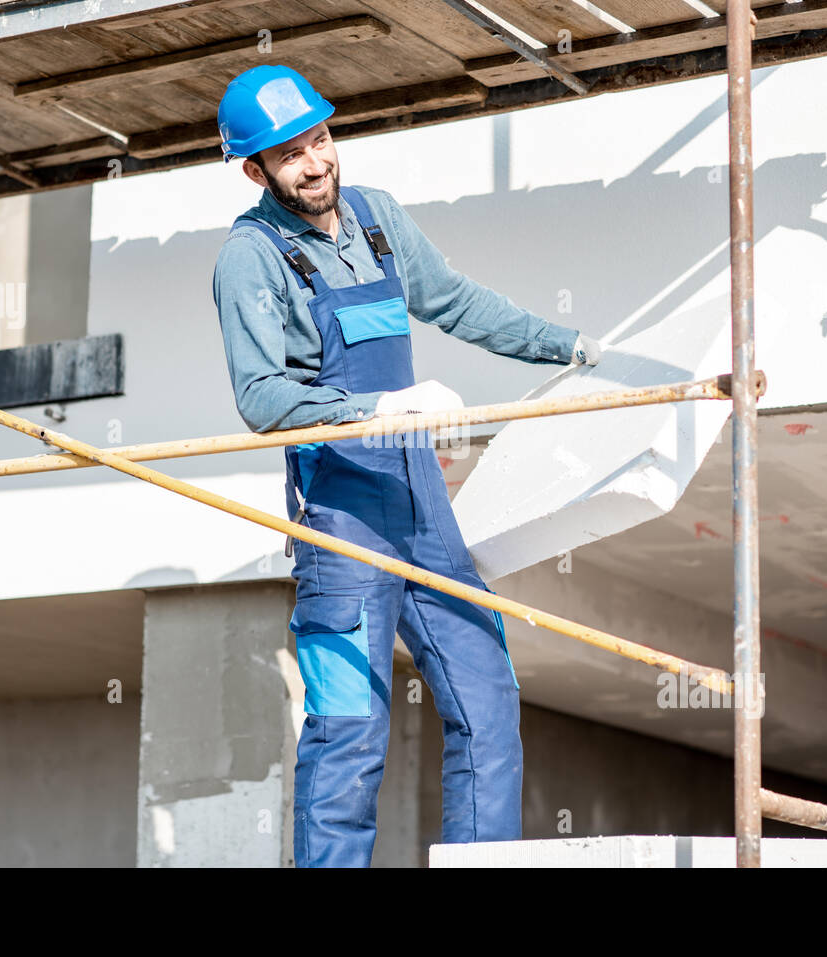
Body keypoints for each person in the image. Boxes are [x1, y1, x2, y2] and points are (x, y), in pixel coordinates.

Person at [211, 64, 601, 867]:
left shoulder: (377, 218)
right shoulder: (249, 257)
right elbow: (260, 396)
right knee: (349, 729)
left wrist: (564, 345)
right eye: (290, 155)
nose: (315, 163)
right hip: (340, 515)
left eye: (320, 139)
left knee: (487, 697)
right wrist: (378, 407)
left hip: (423, 507)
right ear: (255, 172)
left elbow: (454, 300)